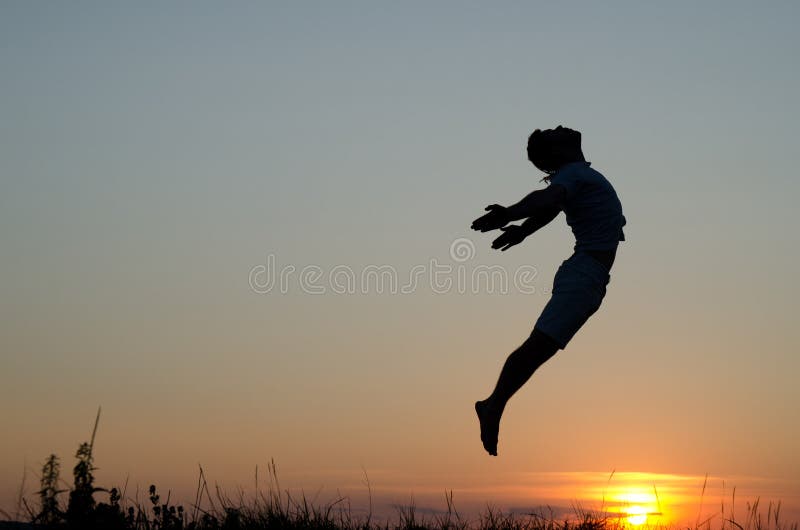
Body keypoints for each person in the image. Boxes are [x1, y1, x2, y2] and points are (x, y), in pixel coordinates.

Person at [470, 125, 626, 456]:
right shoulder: (570, 174)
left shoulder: (575, 176)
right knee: (537, 347)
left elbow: (552, 208)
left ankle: (494, 404)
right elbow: (549, 199)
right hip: (583, 275)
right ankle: (493, 405)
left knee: (539, 348)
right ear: (558, 152)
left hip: (590, 277)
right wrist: (508, 215)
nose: (559, 127)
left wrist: (522, 232)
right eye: (554, 132)